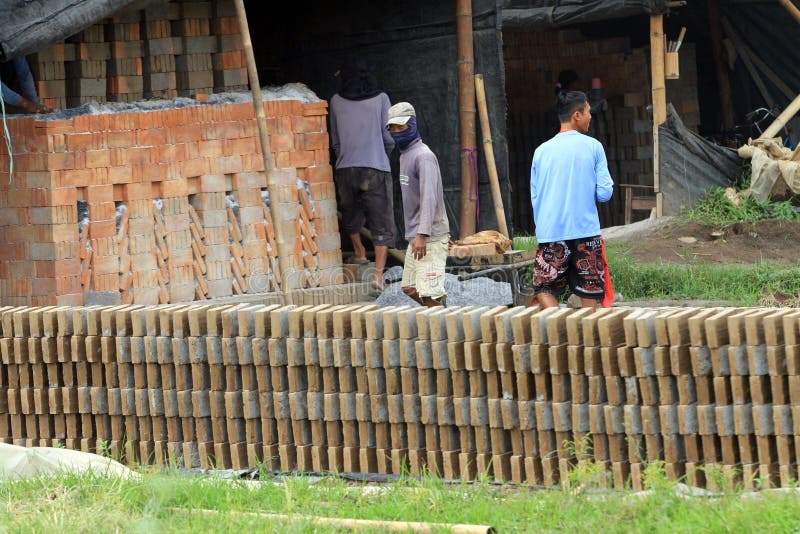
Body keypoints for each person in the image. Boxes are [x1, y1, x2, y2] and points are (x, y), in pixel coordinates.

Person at [529, 90, 614, 310]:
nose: (590, 116)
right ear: (577, 115)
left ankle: (557, 330)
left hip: (551, 233)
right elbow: (605, 194)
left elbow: (535, 197)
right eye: (588, 112)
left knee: (544, 289)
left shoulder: (541, 152)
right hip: (586, 232)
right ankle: (588, 340)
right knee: (589, 291)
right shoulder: (594, 147)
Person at [329, 59, 396, 291]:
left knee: (350, 214)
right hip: (376, 167)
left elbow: (335, 141)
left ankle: (359, 252)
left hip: (346, 169)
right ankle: (377, 275)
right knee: (381, 221)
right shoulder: (381, 99)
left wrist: (346, 156)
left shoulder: (336, 101)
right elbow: (388, 138)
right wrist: (382, 155)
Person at [386, 102, 449, 308]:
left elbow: (429, 198)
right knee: (410, 287)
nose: (396, 132)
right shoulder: (405, 155)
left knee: (430, 295)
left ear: (412, 124)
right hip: (416, 236)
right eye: (392, 128)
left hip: (428, 236)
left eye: (401, 127)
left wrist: (422, 234)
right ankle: (443, 315)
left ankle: (444, 329)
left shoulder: (423, 156)